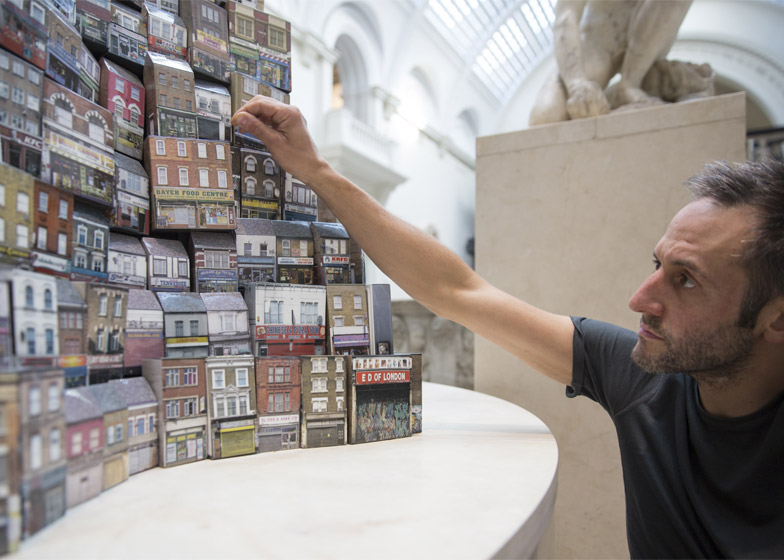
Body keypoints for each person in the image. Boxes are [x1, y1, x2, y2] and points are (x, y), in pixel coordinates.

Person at [232, 97, 784, 558]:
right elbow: (458, 291)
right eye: (657, 265)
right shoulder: (644, 378)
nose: (641, 298)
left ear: (775, 318)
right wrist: (316, 170)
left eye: (686, 281)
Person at [529, 0, 693, 126]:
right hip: (597, 47)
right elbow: (565, 16)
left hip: (650, 56)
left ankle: (630, 85)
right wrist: (575, 82)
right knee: (545, 116)